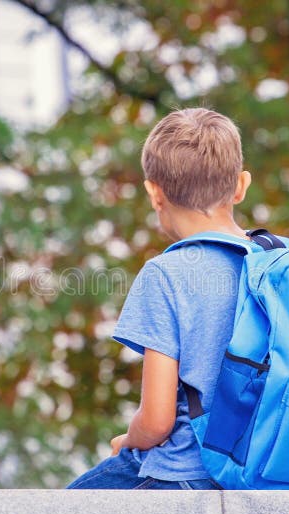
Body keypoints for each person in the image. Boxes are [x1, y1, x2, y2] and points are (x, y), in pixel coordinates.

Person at [66, 108, 253, 490]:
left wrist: (128, 440)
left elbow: (156, 421)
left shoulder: (166, 274)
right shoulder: (276, 263)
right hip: (261, 470)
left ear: (155, 193)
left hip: (187, 473)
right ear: (240, 186)